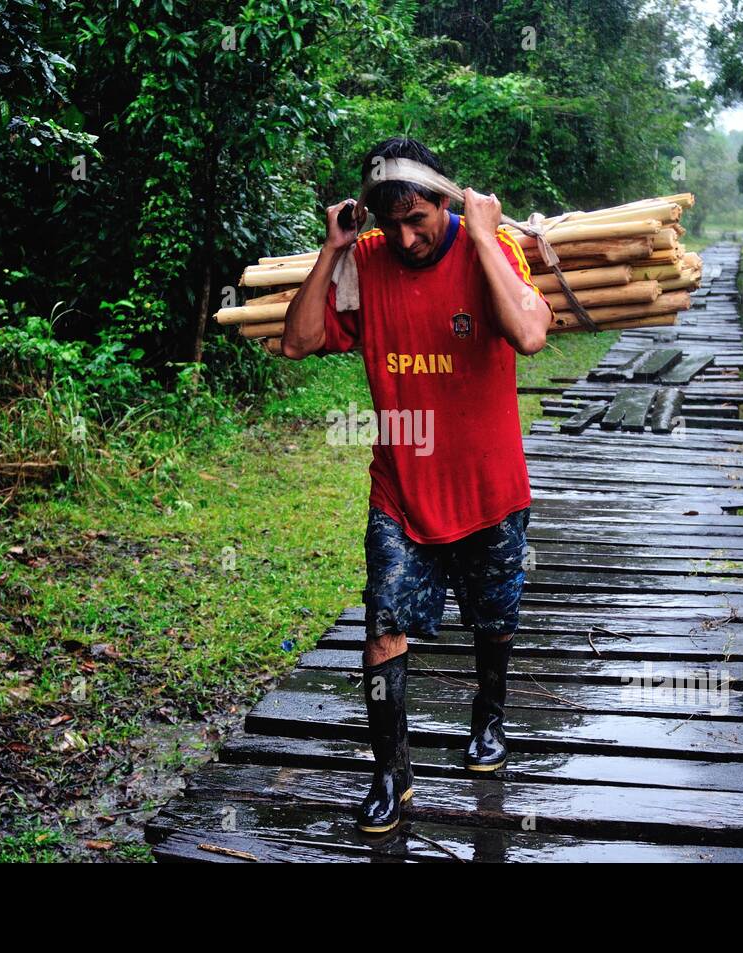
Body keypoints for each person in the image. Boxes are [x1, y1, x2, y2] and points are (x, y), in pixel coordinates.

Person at [280, 136, 554, 834]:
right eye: (390, 223)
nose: (405, 237)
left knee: (494, 620)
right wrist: (333, 250)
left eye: (418, 220)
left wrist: (486, 237)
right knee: (383, 627)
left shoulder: (490, 250)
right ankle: (390, 770)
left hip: (490, 488)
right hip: (400, 491)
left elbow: (529, 333)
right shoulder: (364, 264)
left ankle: (488, 721)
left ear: (443, 198)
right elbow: (299, 340)